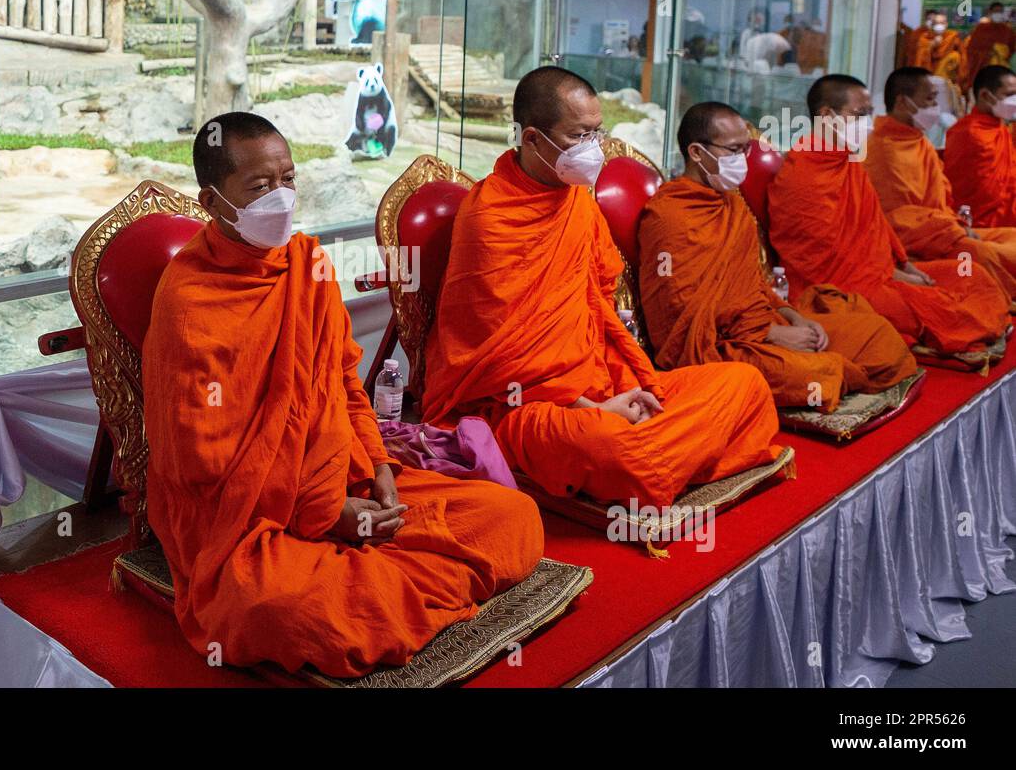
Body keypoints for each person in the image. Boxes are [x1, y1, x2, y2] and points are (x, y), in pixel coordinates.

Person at [141, 111, 543, 678]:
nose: (279, 198)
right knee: (283, 611)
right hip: (247, 522)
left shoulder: (307, 265)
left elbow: (343, 383)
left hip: (345, 478)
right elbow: (201, 466)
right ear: (212, 202)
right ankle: (389, 589)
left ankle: (388, 591)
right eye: (258, 187)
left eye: (287, 179)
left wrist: (378, 468)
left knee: (513, 516)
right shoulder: (191, 303)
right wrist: (328, 515)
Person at [422, 67, 783, 511]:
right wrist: (589, 409)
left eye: (598, 131)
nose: (595, 148)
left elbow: (600, 307)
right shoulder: (491, 218)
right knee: (614, 447)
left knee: (745, 384)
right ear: (531, 138)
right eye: (580, 136)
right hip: (527, 408)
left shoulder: (576, 200)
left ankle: (660, 457)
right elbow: (495, 366)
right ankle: (672, 454)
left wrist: (619, 390)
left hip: (604, 380)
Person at [638, 101, 917, 411]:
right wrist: (773, 336)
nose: (742, 159)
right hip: (718, 347)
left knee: (880, 338)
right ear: (696, 153)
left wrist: (794, 317)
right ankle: (833, 372)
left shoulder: (732, 204)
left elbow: (754, 283)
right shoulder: (668, 216)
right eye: (733, 150)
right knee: (816, 374)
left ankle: (835, 371)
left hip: (763, 324)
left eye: (746, 149)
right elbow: (682, 311)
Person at [767, 75, 1009, 358]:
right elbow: (819, 263)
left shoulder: (848, 162)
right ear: (826, 116)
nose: (868, 122)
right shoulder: (803, 176)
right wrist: (891, 275)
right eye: (860, 114)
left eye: (870, 113)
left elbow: (876, 225)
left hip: (881, 271)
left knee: (970, 274)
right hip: (844, 290)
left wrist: (904, 265)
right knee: (935, 307)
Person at [865, 66, 1016, 299]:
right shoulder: (884, 150)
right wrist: (952, 229)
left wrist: (956, 225)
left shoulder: (919, 141)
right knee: (981, 255)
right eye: (929, 100)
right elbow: (895, 220)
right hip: (924, 240)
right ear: (903, 102)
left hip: (946, 228)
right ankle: (999, 306)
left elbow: (942, 199)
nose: (935, 108)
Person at [943, 64, 1016, 228]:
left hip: (1007, 216)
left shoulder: (1001, 128)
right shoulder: (968, 133)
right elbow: (971, 191)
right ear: (985, 95)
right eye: (1010, 94)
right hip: (979, 222)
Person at [960, 2, 1016, 93]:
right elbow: (971, 50)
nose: (998, 14)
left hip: (1003, 68)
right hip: (984, 66)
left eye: (1000, 11)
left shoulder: (1008, 30)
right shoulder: (981, 29)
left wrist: (1001, 52)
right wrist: (988, 53)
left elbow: (1012, 50)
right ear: (990, 12)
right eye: (996, 11)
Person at [905, 10, 964, 83]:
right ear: (932, 25)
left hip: (947, 79)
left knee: (955, 55)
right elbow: (919, 59)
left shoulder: (952, 37)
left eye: (942, 23)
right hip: (929, 75)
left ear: (946, 24)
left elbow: (963, 59)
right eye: (936, 23)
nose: (939, 26)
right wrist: (931, 45)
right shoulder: (924, 38)